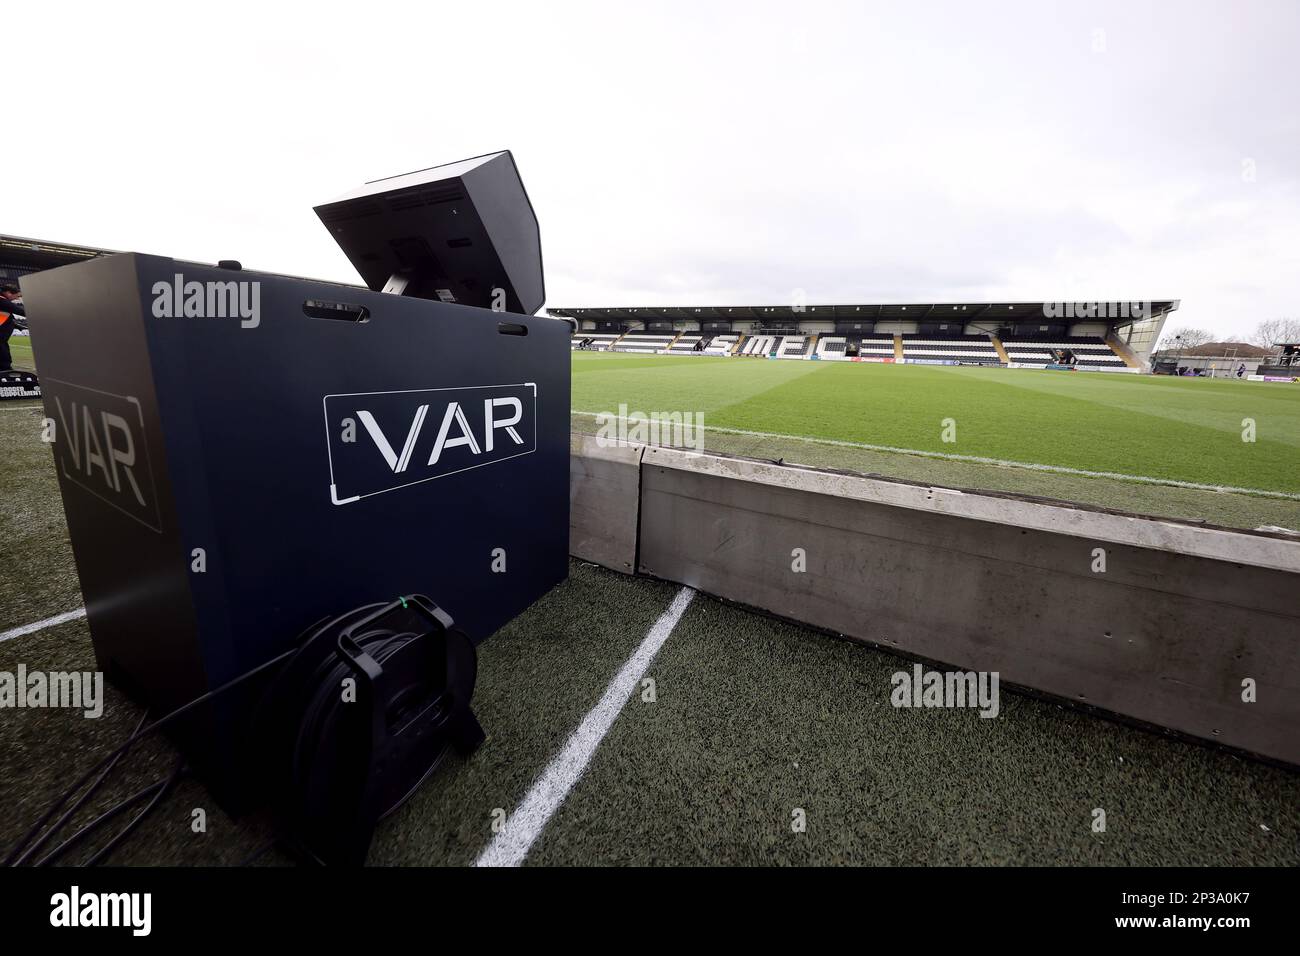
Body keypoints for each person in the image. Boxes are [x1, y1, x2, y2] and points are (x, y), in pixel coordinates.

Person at [0, 283, 24, 373]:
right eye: (15, 296)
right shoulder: (3, 301)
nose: (17, 299)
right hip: (1, 335)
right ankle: (5, 367)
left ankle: (5, 366)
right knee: (2, 346)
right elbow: (20, 311)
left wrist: (16, 325)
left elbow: (3, 317)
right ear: (8, 293)